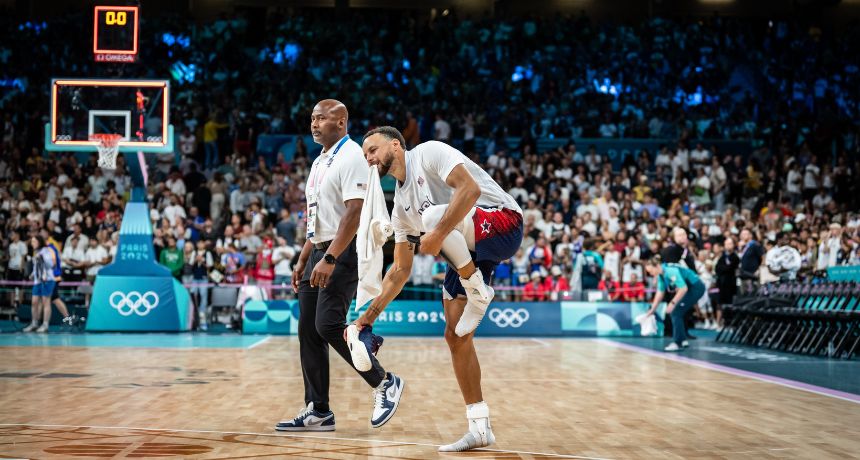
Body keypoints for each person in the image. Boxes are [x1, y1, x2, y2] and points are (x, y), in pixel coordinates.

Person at [355, 126, 523, 452]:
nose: (369, 158)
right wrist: (368, 317)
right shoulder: (400, 208)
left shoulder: (428, 153)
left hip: (503, 222)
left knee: (432, 216)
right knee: (455, 335)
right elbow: (400, 270)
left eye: (372, 150)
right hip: (466, 249)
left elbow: (470, 190)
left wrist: (435, 233)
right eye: (365, 156)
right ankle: (479, 426)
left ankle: (475, 287)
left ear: (395, 145)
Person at [275, 100, 403, 433]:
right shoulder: (320, 161)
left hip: (342, 253)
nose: (314, 124)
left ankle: (384, 382)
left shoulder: (351, 158)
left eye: (321, 118)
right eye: (312, 118)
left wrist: (330, 257)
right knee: (308, 332)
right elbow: (318, 217)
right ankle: (318, 410)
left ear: (341, 121)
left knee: (328, 325)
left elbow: (354, 212)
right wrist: (305, 256)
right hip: (318, 251)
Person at [643, 255, 706, 351]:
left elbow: (683, 288)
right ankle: (683, 340)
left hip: (696, 287)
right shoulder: (661, 275)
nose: (651, 274)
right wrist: (652, 310)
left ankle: (677, 343)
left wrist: (672, 303)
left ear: (657, 266)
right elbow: (660, 293)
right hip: (689, 289)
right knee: (678, 313)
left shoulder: (670, 270)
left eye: (651, 271)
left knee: (675, 312)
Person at [23, 236, 56, 333]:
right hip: (37, 281)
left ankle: (45, 325)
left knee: (46, 302)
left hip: (47, 280)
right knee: (34, 302)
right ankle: (34, 323)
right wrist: (33, 274)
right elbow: (37, 266)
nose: (32, 243)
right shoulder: (36, 252)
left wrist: (43, 257)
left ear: (39, 242)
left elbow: (51, 265)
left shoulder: (46, 251)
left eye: (34, 241)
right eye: (32, 241)